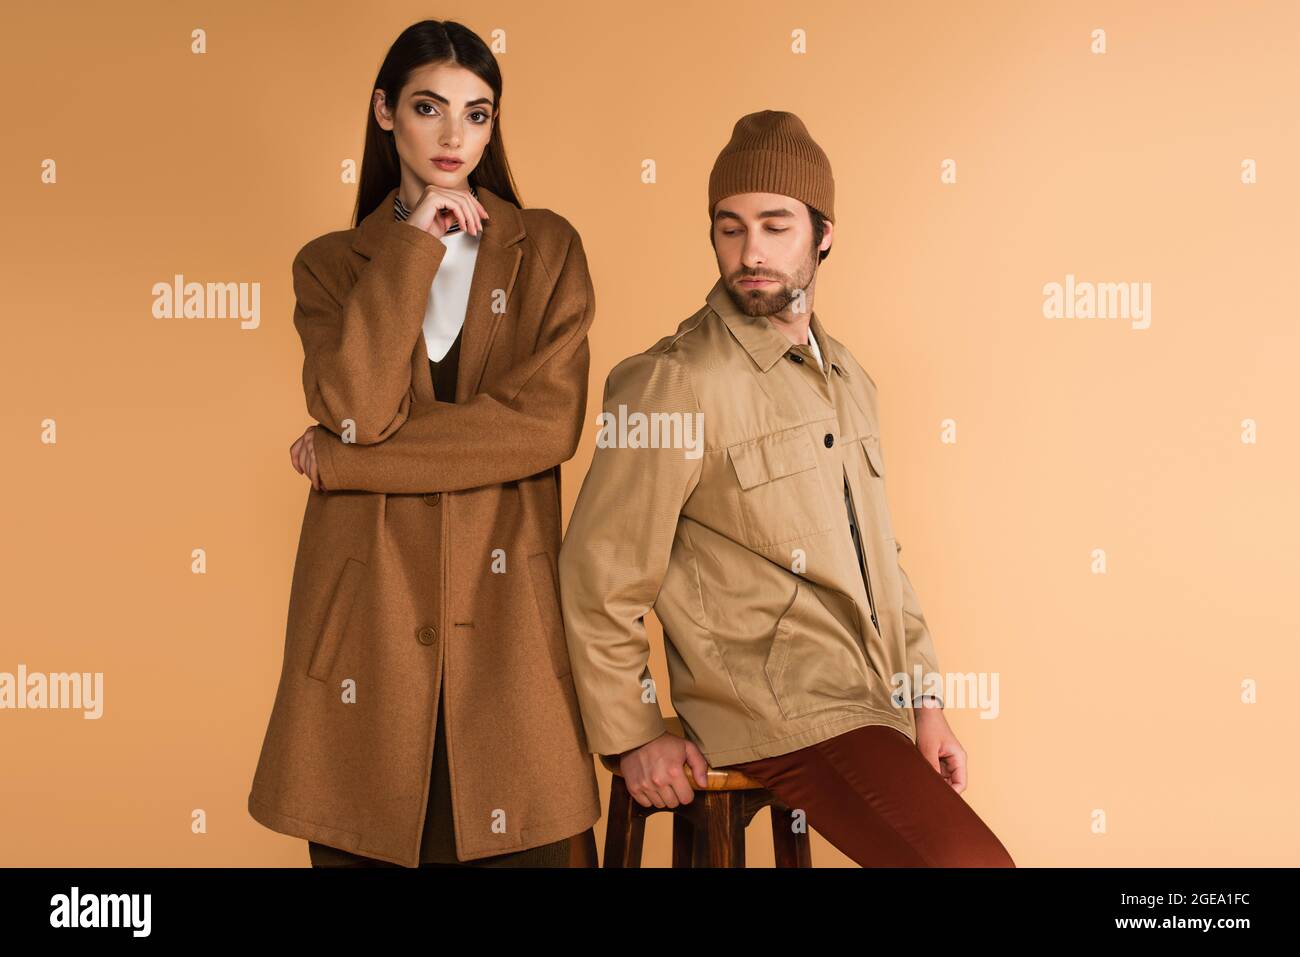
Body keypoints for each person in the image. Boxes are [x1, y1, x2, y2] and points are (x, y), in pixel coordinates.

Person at [558, 110, 1013, 867]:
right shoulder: (673, 383)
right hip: (775, 711)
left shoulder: (850, 382)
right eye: (730, 228)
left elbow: (881, 562)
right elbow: (597, 572)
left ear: (823, 234)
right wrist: (632, 732)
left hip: (865, 703)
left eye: (776, 226)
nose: (751, 252)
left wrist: (924, 700)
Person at [248, 19, 599, 868]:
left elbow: (542, 429)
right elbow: (359, 406)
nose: (454, 136)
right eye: (429, 107)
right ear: (385, 113)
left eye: (477, 114)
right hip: (363, 643)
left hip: (513, 638)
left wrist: (343, 463)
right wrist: (413, 243)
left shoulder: (546, 249)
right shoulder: (330, 265)